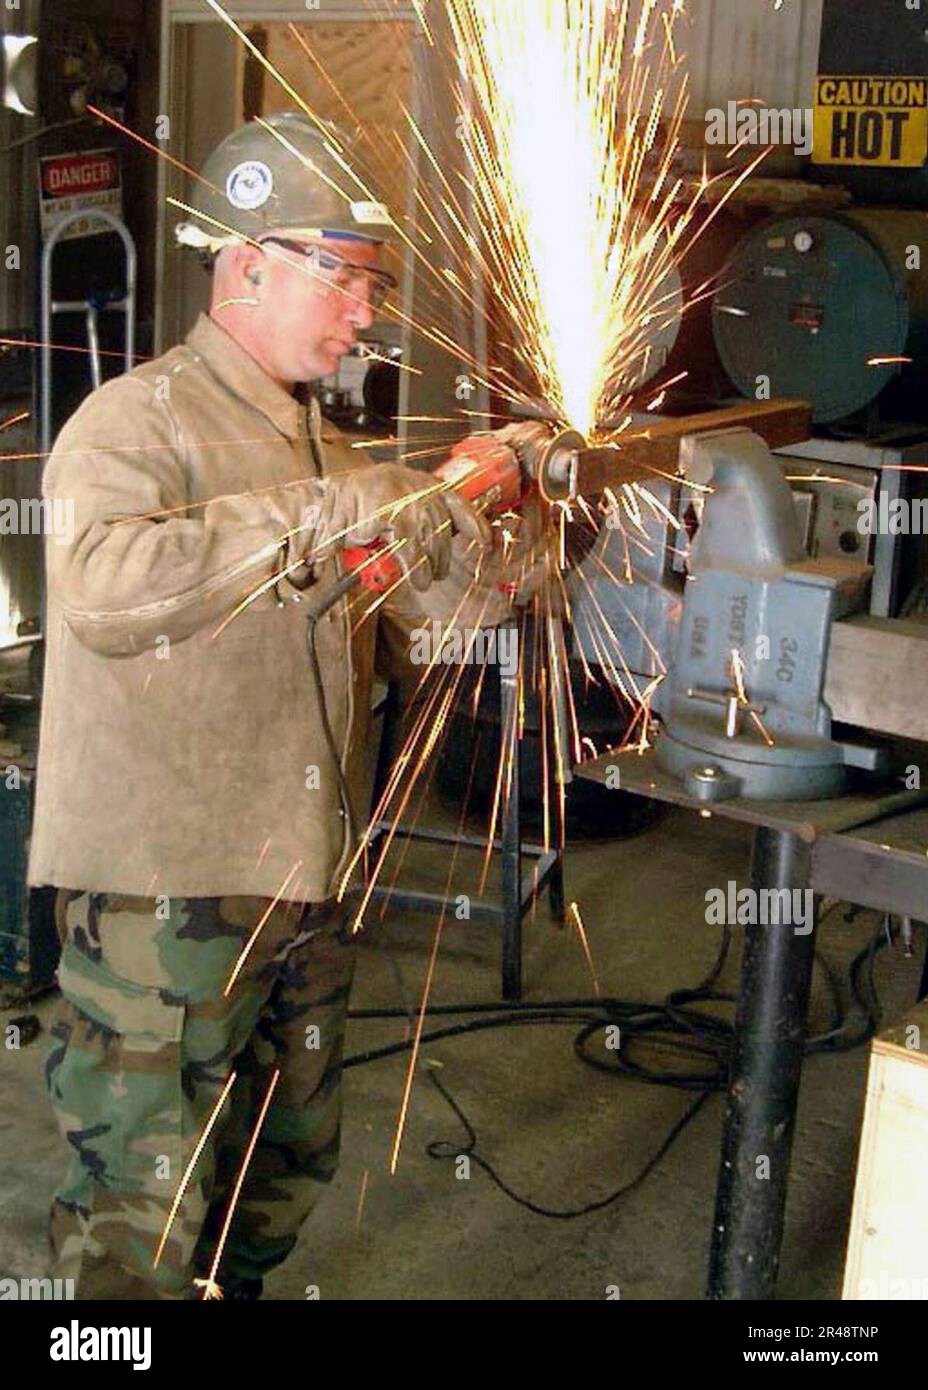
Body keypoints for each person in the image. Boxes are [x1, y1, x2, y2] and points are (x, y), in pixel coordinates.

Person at [29, 111, 529, 1300]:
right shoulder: (136, 422)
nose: (366, 313)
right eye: (347, 280)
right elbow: (103, 589)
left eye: (374, 287)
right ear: (249, 265)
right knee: (134, 1218)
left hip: (304, 885)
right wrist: (350, 510)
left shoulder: (327, 447)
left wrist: (491, 516)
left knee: (280, 1171)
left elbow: (450, 618)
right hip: (171, 895)